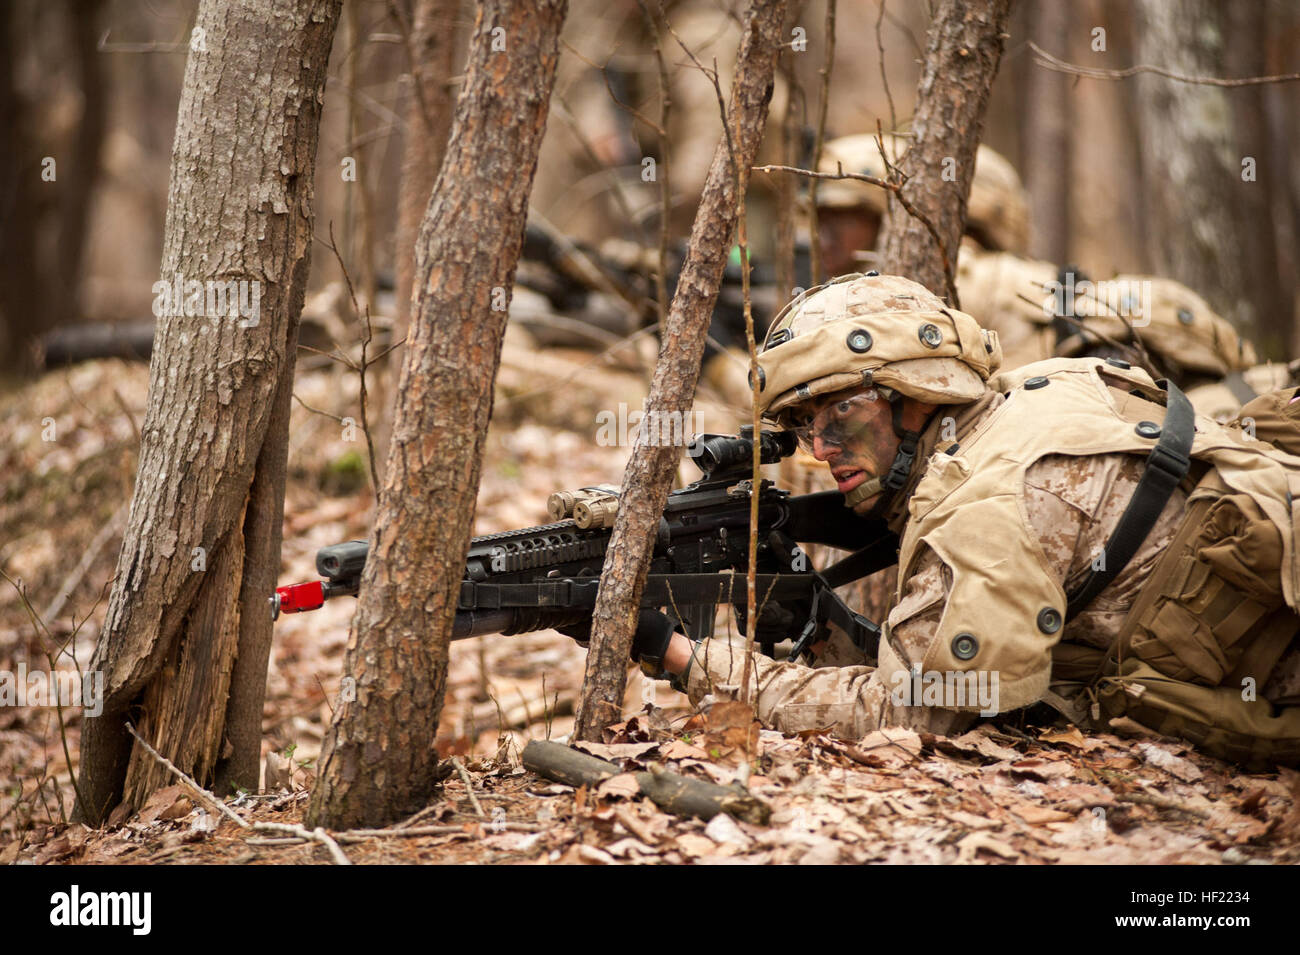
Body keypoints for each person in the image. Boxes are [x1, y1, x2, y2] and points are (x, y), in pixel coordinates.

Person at [639, 272, 1300, 768]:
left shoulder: (989, 501)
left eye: (839, 413)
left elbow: (917, 715)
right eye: (807, 426)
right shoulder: (1026, 397)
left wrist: (684, 656)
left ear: (917, 396)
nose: (821, 447)